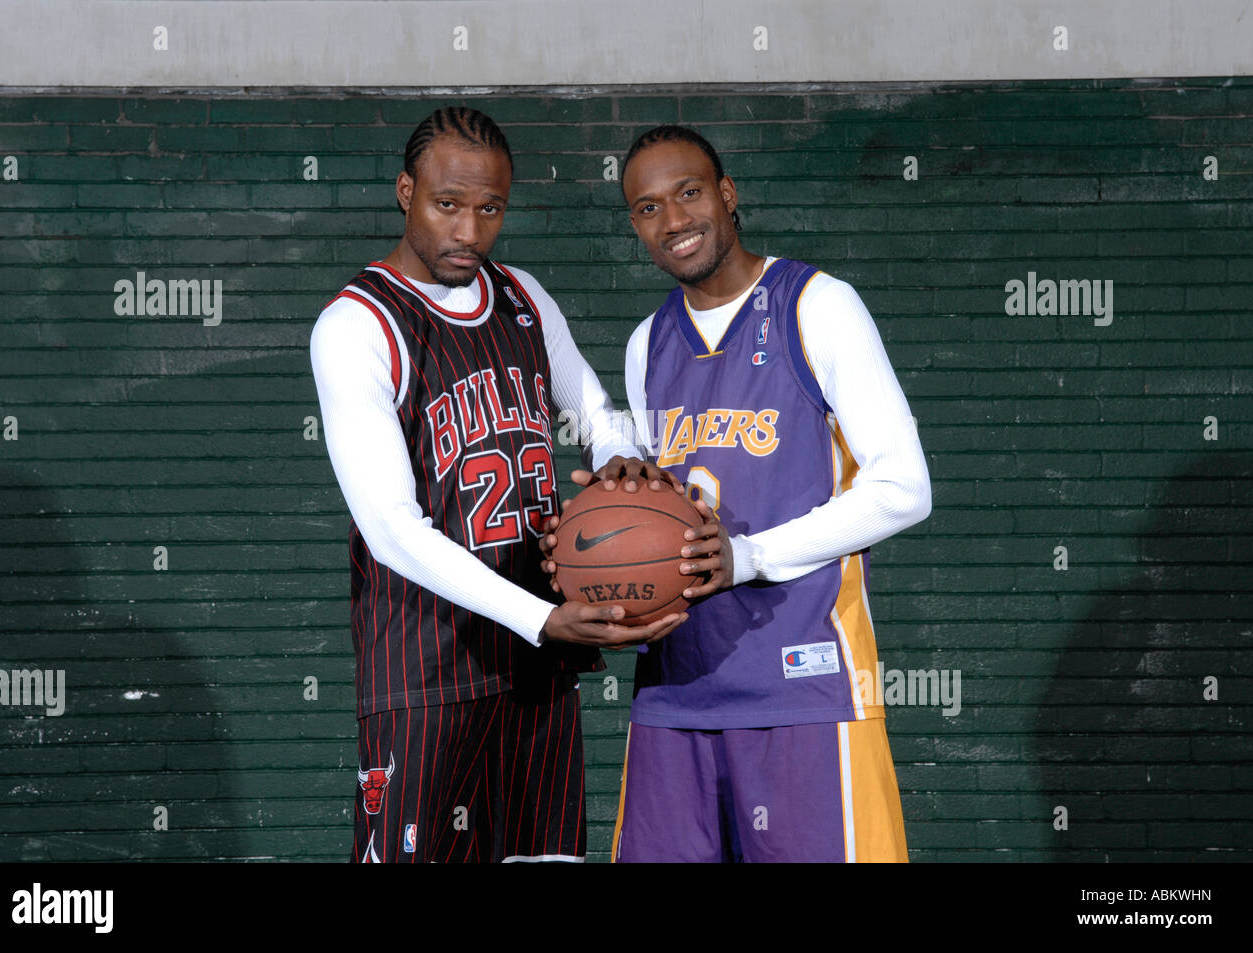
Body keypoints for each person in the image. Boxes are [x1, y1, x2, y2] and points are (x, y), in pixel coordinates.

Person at [309, 107, 686, 863]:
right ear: (405, 190)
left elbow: (596, 415)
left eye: (490, 209)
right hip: (426, 674)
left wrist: (619, 458)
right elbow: (390, 528)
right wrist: (542, 618)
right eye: (447, 204)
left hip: (538, 675)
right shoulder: (357, 326)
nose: (469, 232)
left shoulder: (522, 297)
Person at [610, 125, 933, 862]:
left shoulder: (816, 304)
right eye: (648, 208)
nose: (674, 220)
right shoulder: (646, 344)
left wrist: (749, 553)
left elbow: (904, 486)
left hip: (804, 686)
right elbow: (653, 518)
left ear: (727, 194)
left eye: (689, 193)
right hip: (672, 697)